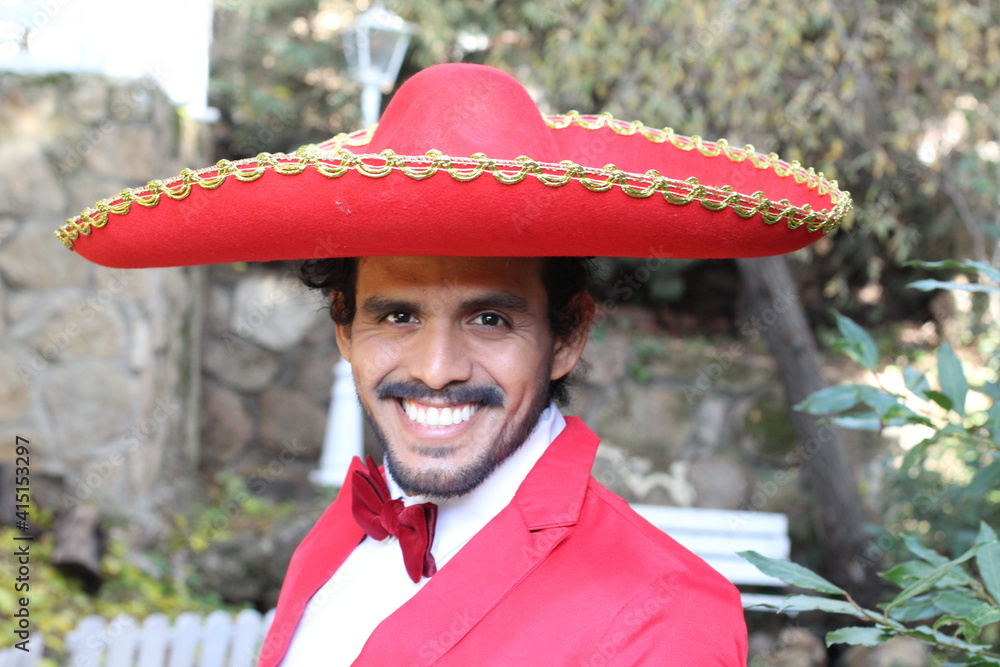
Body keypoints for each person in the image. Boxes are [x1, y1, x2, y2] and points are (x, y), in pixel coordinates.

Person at [56, 63, 851, 666]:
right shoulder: (340, 533)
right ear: (344, 328)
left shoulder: (662, 616)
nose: (435, 367)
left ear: (567, 335)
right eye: (397, 315)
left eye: (491, 317)